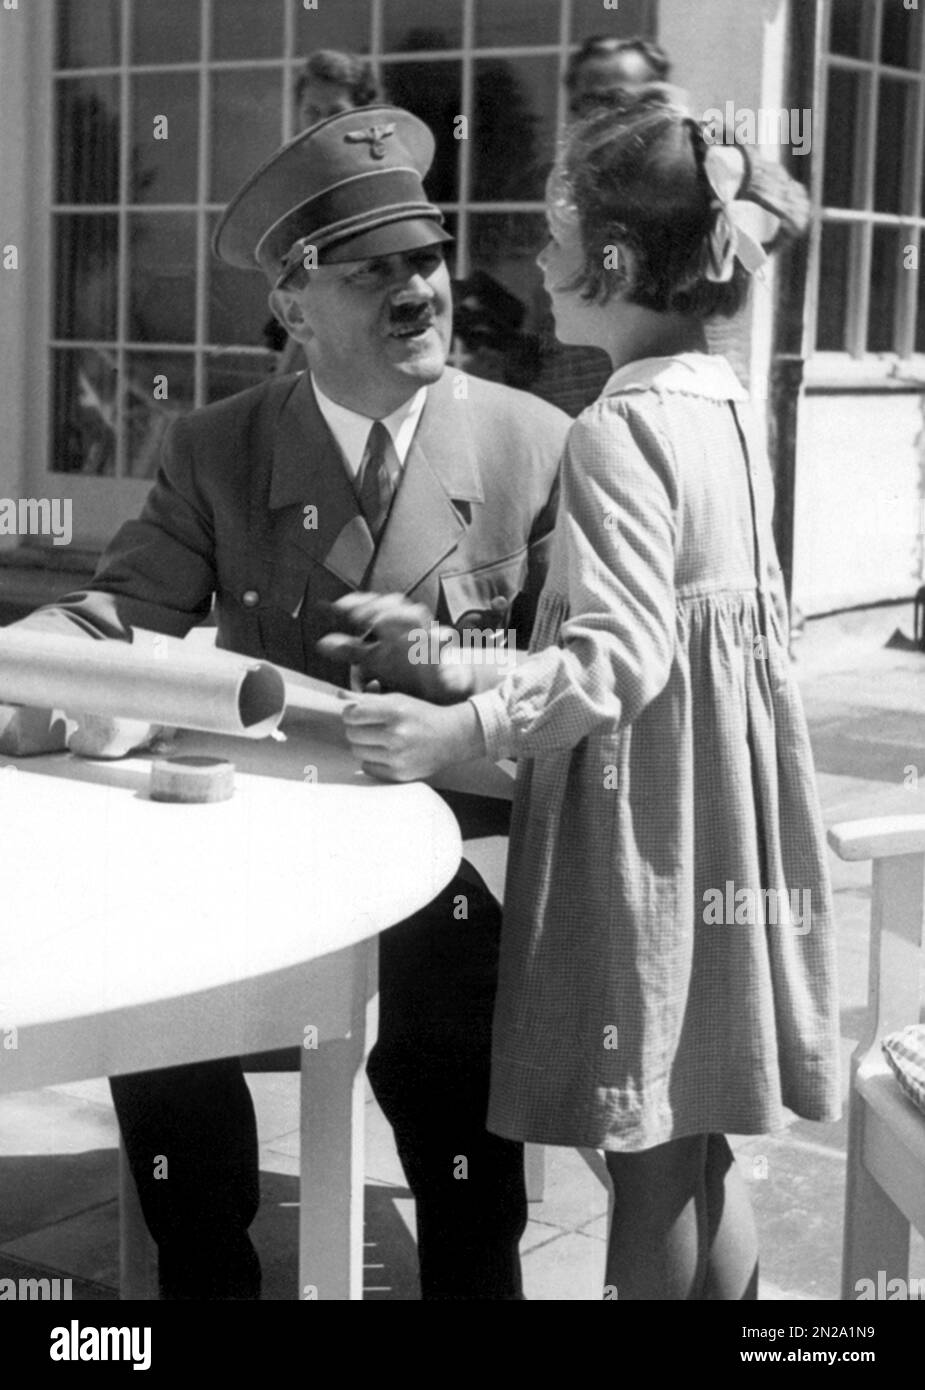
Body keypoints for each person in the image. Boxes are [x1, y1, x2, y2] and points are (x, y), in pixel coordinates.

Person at [0, 107, 569, 1300]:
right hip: (277, 828)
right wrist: (42, 668)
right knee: (154, 995)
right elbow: (120, 621)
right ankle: (207, 1277)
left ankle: (477, 1280)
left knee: (446, 1059)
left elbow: (578, 687)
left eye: (425, 258)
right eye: (372, 273)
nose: (417, 290)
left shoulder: (537, 445)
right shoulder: (216, 445)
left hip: (464, 832)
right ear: (296, 307)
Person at [336, 87, 841, 1300]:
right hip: (722, 818)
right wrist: (456, 649)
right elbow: (670, 634)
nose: (536, 258)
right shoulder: (717, 400)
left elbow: (617, 664)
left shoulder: (612, 428)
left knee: (646, 1154)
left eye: (556, 232)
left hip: (643, 843)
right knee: (689, 1139)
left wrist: (451, 725)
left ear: (614, 262)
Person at [528, 35, 673, 418]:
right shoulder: (565, 189)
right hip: (568, 410)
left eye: (615, 100)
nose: (597, 117)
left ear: (655, 99)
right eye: (585, 103)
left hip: (653, 406)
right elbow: (548, 332)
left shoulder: (689, 184)